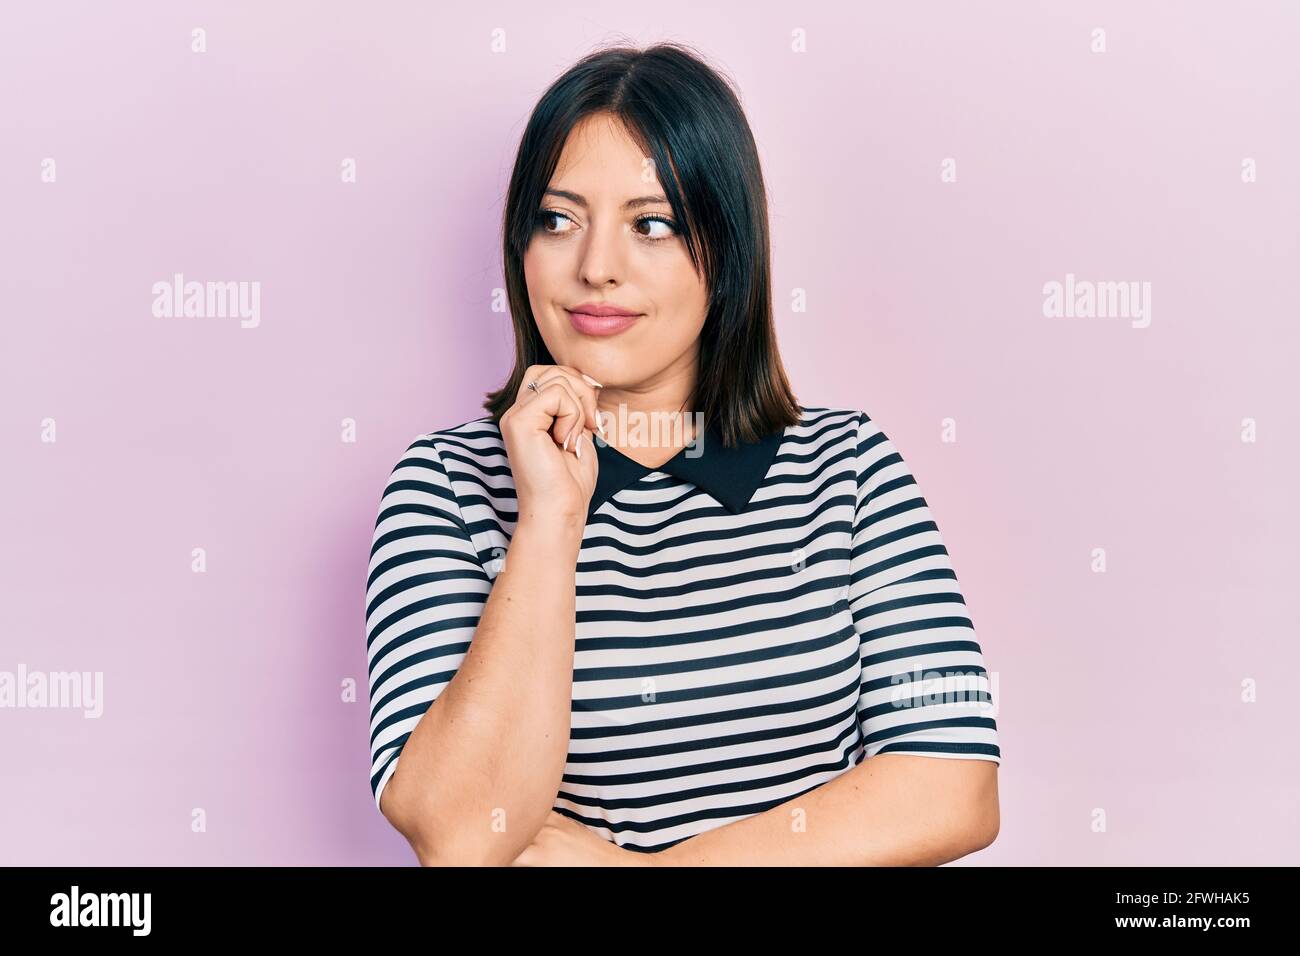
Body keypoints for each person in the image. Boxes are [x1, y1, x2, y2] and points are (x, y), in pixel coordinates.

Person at [365, 42, 1000, 866]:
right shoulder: (443, 488)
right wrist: (550, 526)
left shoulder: (849, 468)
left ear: (727, 253)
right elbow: (460, 831)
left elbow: (952, 786)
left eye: (651, 225)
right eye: (557, 220)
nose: (596, 269)